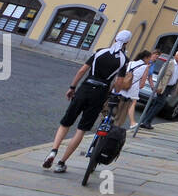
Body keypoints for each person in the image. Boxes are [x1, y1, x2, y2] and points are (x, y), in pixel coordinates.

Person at [42, 30, 131, 174]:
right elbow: (119, 82)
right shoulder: (123, 59)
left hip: (85, 88)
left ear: (115, 38)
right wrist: (115, 94)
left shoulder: (100, 52)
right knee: (81, 129)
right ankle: (61, 162)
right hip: (100, 94)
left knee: (65, 123)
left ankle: (53, 151)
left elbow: (82, 70)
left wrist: (72, 87)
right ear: (127, 42)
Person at [136, 48, 178, 133]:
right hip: (163, 87)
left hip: (169, 88)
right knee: (159, 104)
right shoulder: (169, 63)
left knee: (156, 104)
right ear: (175, 56)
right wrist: (158, 86)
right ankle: (146, 121)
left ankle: (145, 121)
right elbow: (160, 75)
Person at [115, 50, 154, 129]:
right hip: (132, 89)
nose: (150, 60)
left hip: (122, 86)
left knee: (117, 105)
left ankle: (110, 120)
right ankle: (122, 125)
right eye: (149, 58)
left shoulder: (131, 63)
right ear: (145, 58)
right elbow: (142, 84)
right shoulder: (145, 67)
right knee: (125, 109)